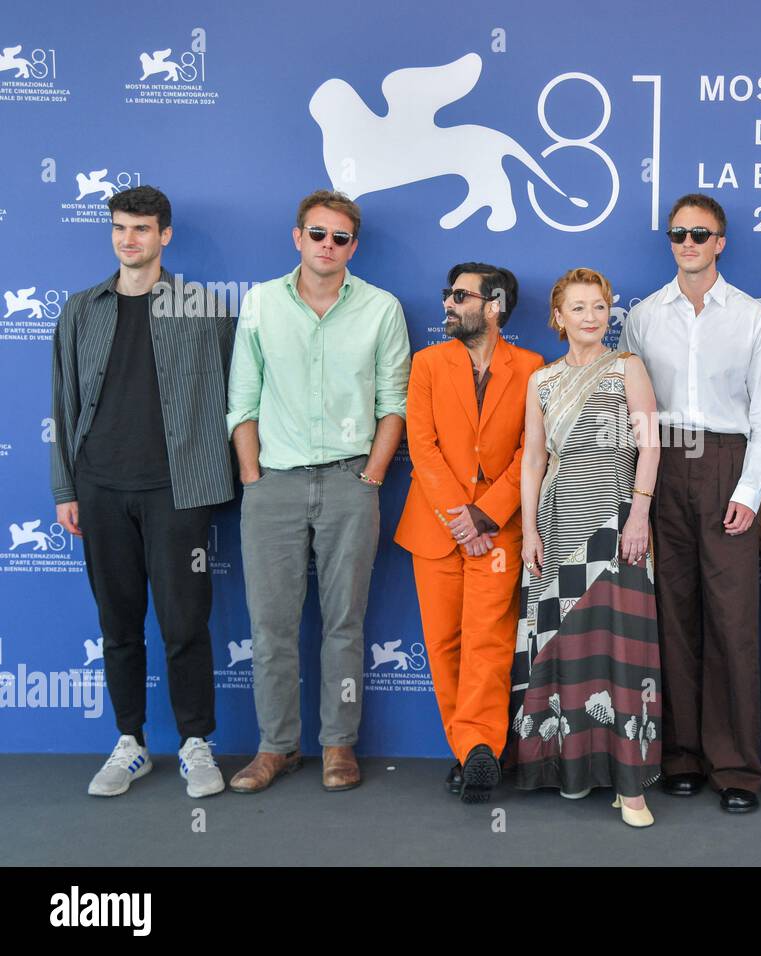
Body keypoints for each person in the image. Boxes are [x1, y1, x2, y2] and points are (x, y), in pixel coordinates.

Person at [50, 185, 233, 799]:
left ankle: (194, 743)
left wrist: (224, 480)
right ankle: (129, 742)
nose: (130, 240)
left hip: (178, 490)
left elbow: (233, 397)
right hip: (99, 487)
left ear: (165, 235)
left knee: (185, 622)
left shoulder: (202, 307)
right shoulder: (81, 309)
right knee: (118, 623)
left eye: (142, 229)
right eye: (120, 228)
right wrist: (65, 487)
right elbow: (64, 400)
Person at [226, 190, 410, 793]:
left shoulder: (381, 308)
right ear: (296, 236)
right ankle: (276, 747)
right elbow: (242, 400)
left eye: (339, 237)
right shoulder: (259, 303)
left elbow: (394, 404)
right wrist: (253, 480)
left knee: (344, 624)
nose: (327, 246)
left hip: (351, 483)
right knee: (271, 625)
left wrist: (374, 478)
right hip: (272, 485)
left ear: (353, 245)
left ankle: (338, 746)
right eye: (317, 234)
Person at [619, 193, 761, 813]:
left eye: (700, 233)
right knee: (672, 616)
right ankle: (681, 754)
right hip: (661, 464)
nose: (687, 243)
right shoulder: (642, 317)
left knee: (734, 622)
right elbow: (633, 411)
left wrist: (747, 493)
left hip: (726, 466)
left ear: (721, 242)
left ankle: (737, 766)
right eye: (678, 233)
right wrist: (637, 490)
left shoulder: (750, 318)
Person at [506, 268, 662, 828]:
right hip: (556, 527)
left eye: (599, 306)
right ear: (558, 316)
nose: (590, 316)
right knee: (563, 649)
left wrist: (639, 514)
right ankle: (569, 767)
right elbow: (532, 461)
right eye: (578, 307)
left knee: (620, 652)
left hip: (614, 526)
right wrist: (529, 531)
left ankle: (630, 783)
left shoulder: (627, 368)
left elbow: (650, 445)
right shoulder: (541, 381)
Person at [395, 263, 543, 804]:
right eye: (448, 294)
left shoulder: (530, 367)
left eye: (460, 296)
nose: (448, 305)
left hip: (498, 531)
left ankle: (479, 748)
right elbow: (422, 445)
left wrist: (486, 514)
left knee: (490, 639)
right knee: (444, 642)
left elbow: (533, 450)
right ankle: (471, 750)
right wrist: (460, 515)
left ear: (495, 303)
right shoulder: (427, 363)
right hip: (436, 528)